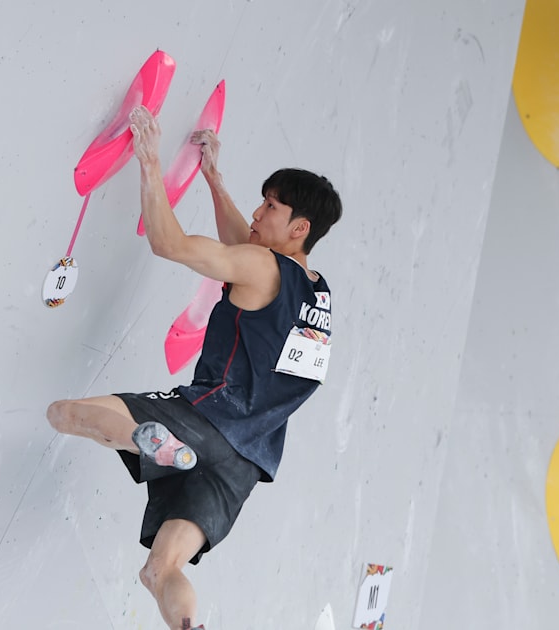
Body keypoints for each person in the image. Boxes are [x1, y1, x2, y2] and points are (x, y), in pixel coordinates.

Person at [46, 105, 342, 630]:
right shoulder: (314, 289)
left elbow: (171, 244)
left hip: (207, 418)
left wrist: (151, 161)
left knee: (65, 413)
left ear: (298, 226)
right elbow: (244, 247)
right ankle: (188, 627)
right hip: (247, 459)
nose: (256, 213)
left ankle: (149, 440)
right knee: (161, 569)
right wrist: (213, 178)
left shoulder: (262, 266)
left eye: (269, 206)